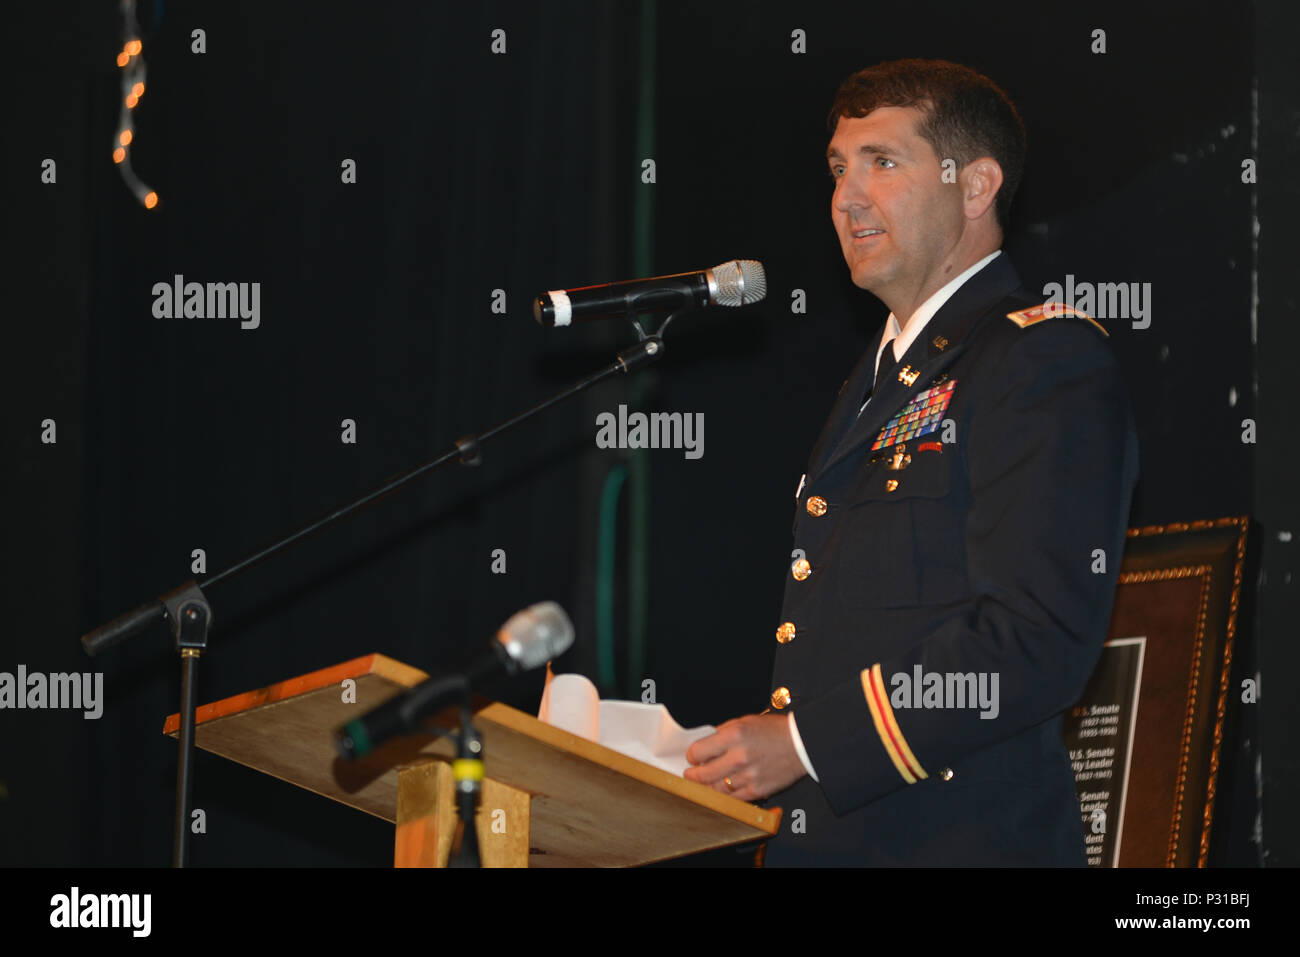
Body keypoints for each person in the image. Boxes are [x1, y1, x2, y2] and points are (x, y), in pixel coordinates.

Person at [683, 58, 1139, 865]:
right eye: (836, 168)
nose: (845, 196)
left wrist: (803, 743)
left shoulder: (1041, 358)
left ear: (976, 185)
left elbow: (1034, 639)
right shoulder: (875, 381)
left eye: (882, 163)